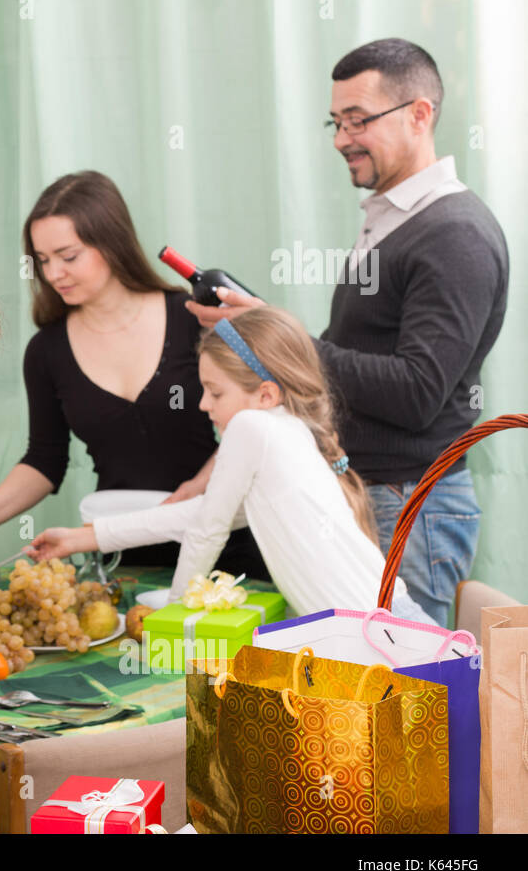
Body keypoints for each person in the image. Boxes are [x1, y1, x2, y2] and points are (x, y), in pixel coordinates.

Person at [189, 39, 508, 626]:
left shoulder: (453, 234)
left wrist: (284, 337)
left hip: (413, 505)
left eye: (359, 120)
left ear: (420, 114)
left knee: (410, 696)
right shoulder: (393, 221)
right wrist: (263, 331)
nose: (342, 138)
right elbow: (353, 358)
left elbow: (417, 391)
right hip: (382, 495)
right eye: (336, 122)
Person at [26, 308, 433, 623]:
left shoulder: (252, 428)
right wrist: (81, 538)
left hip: (380, 637)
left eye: (215, 393)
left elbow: (207, 531)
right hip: (391, 623)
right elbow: (201, 515)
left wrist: (174, 616)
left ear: (266, 394)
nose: (203, 405)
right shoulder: (282, 434)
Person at [0, 171, 265, 575]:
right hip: (122, 554)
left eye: (68, 257)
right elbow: (45, 459)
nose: (53, 274)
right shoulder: (47, 351)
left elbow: (259, 413)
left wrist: (204, 482)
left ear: (112, 243)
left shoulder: (193, 318)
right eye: (43, 261)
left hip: (223, 542)